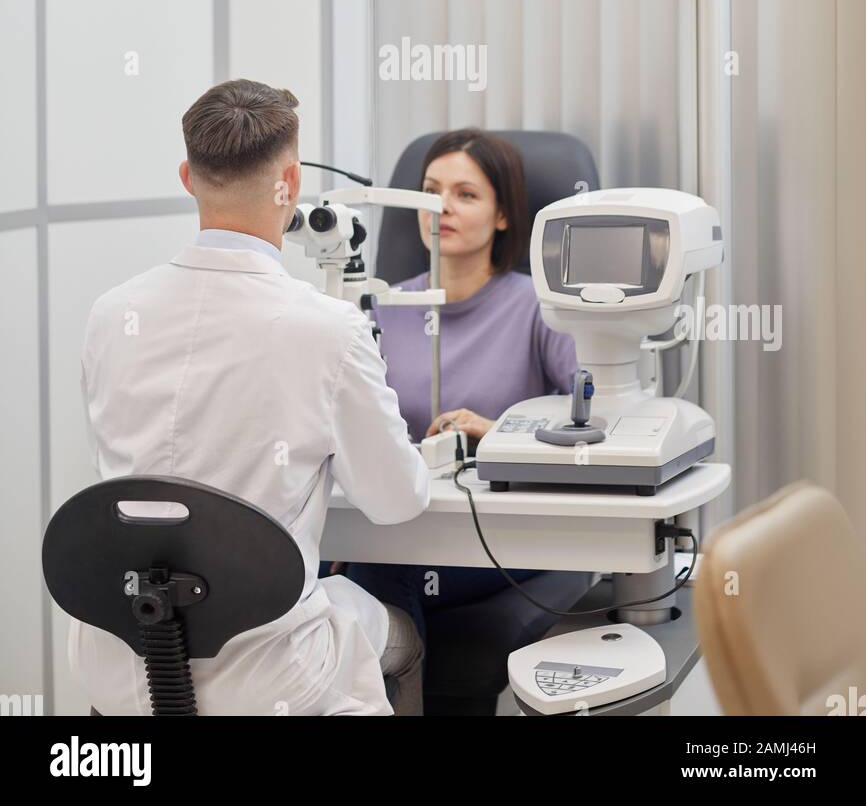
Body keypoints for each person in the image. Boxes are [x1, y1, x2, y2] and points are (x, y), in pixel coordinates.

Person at [69, 78, 430, 716]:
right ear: (288, 182)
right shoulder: (330, 328)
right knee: (403, 633)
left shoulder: (109, 313)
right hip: (270, 679)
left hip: (119, 667)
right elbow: (395, 503)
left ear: (187, 175)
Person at [341, 128, 578, 645]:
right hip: (398, 524)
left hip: (498, 537)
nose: (440, 206)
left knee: (378, 574)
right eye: (430, 190)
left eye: (464, 194)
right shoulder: (376, 305)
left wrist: (493, 431)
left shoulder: (540, 308)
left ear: (502, 215)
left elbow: (595, 428)